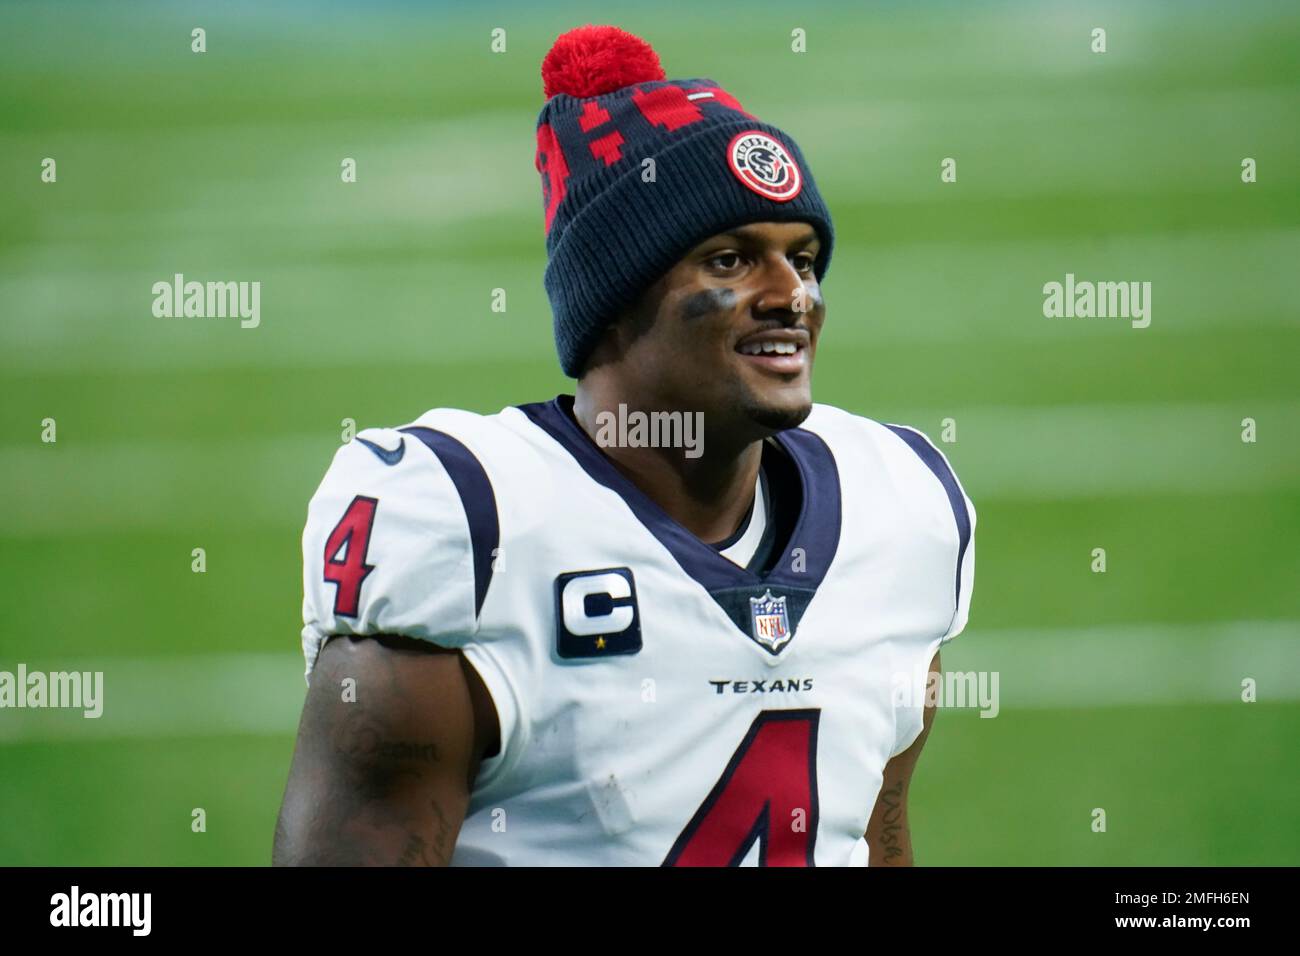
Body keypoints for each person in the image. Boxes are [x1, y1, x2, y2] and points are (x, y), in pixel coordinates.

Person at [273, 24, 976, 867]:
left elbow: (878, 836)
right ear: (615, 296)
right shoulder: (475, 530)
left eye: (804, 258)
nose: (793, 295)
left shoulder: (899, 509)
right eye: (730, 261)